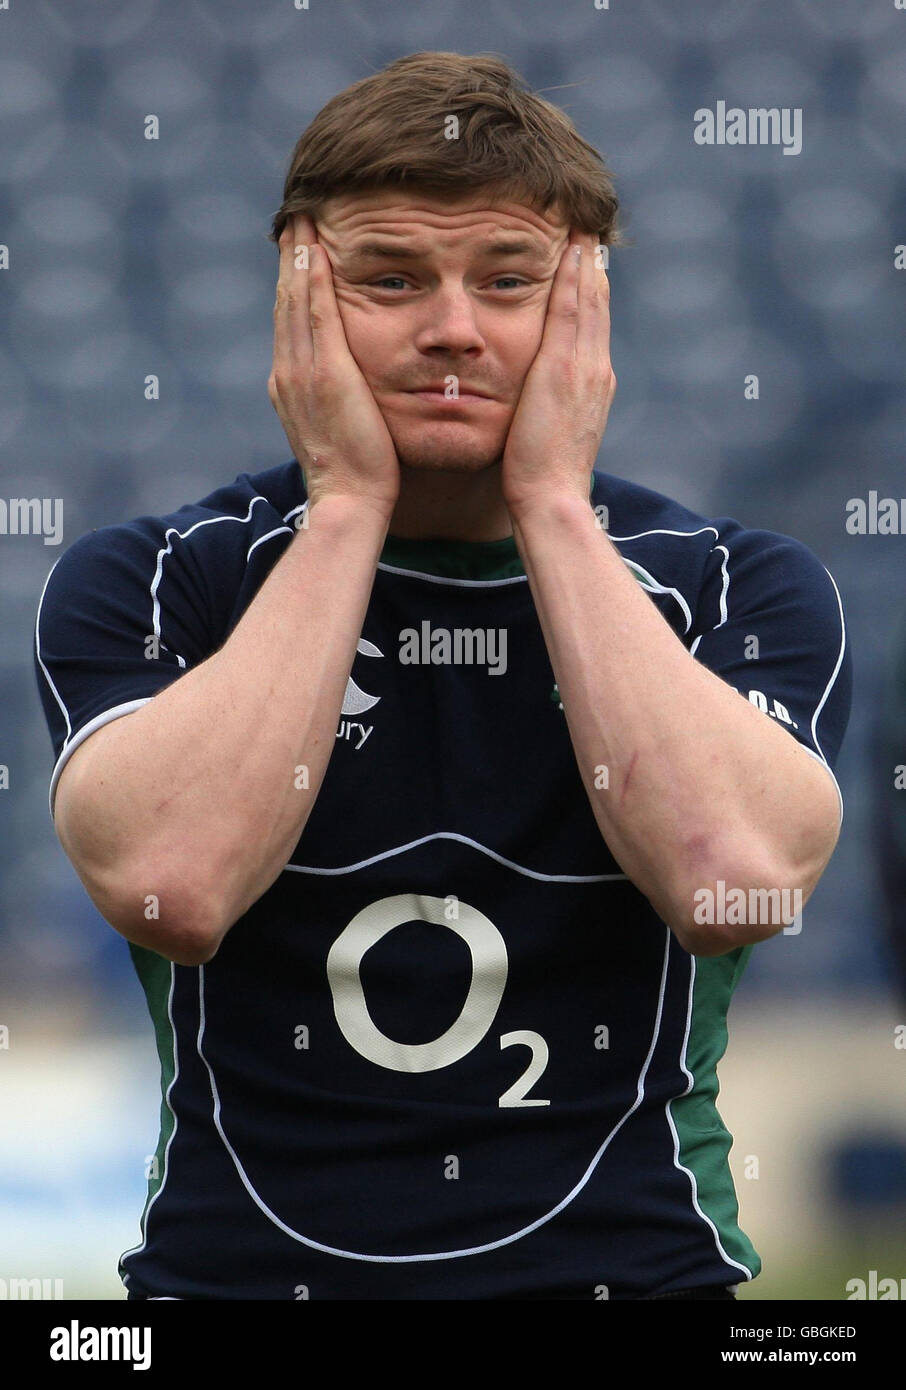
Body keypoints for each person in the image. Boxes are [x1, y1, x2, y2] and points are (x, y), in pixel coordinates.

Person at [34, 51, 851, 1300]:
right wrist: (349, 500)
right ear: (299, 295)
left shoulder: (740, 588)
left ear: (585, 308)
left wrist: (552, 505)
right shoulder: (154, 584)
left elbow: (729, 881)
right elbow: (173, 882)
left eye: (510, 281)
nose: (454, 328)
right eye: (390, 279)